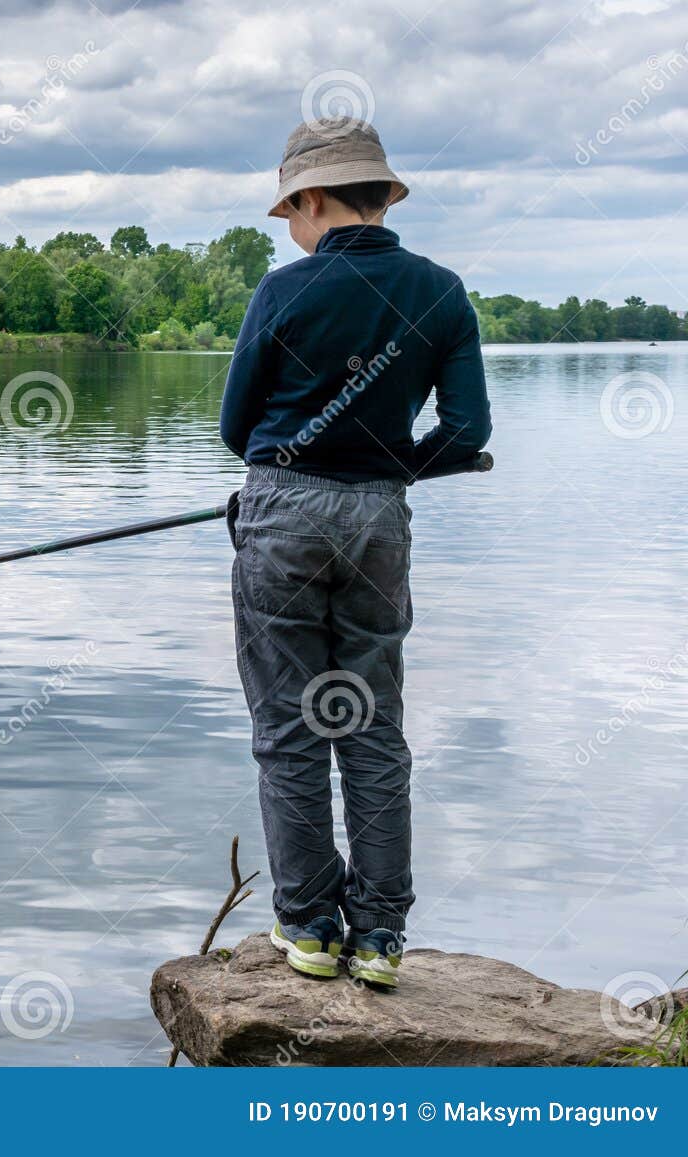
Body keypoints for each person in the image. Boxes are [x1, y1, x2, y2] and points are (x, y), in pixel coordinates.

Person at [219, 117, 491, 988]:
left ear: (311, 199)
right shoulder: (442, 291)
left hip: (281, 516)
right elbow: (468, 430)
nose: (290, 228)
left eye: (289, 210)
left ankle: (308, 929)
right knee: (371, 727)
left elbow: (237, 428)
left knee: (289, 730)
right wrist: (388, 468)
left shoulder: (283, 291)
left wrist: (291, 472)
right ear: (381, 196)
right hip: (380, 521)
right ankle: (378, 938)